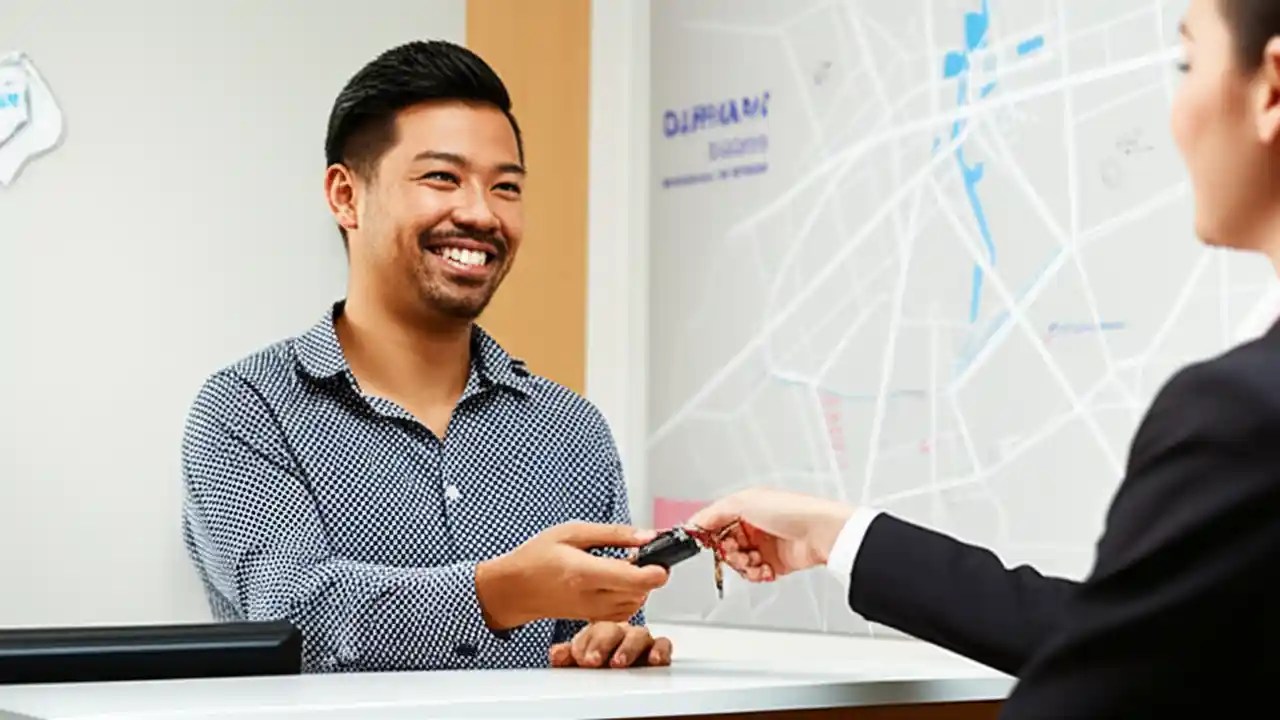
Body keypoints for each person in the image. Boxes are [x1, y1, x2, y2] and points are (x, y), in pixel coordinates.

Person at [687, 0, 1280, 715]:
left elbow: (1095, 679)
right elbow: (1129, 635)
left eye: (1187, 63)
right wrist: (834, 536)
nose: (1176, 112)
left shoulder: (1239, 415)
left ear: (1271, 87)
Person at [179, 40, 671, 673]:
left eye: (507, 186)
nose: (481, 213)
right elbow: (291, 616)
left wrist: (616, 643)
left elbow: (602, 630)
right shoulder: (245, 409)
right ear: (345, 197)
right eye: (443, 177)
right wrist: (503, 591)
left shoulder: (573, 431)